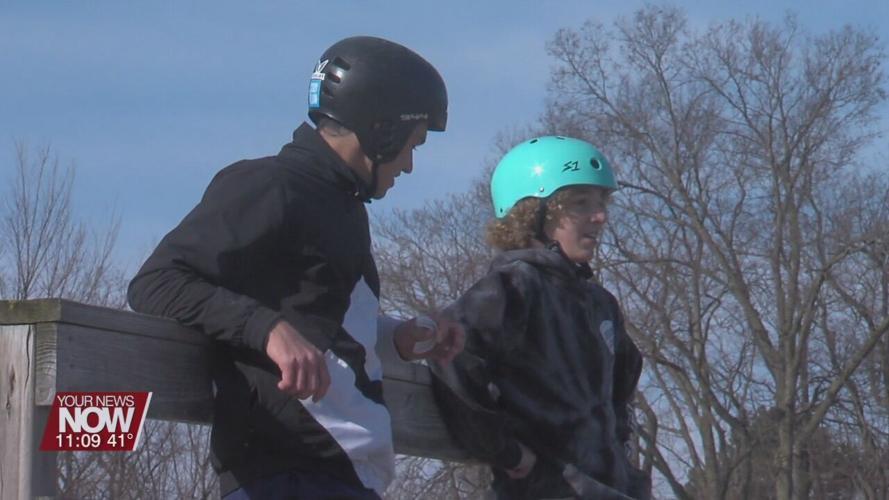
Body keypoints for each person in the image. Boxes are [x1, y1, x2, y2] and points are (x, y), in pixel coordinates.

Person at [127, 36, 464, 499]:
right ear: (381, 128)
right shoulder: (269, 185)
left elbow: (320, 318)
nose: (409, 164)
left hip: (345, 476)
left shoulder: (344, 206)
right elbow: (157, 282)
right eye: (412, 145)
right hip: (284, 474)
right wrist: (268, 330)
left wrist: (397, 337)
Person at [431, 136, 651, 499]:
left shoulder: (600, 304)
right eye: (580, 204)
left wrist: (627, 472)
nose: (600, 216)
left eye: (602, 203)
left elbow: (619, 395)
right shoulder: (516, 285)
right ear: (532, 213)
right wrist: (508, 451)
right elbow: (454, 353)